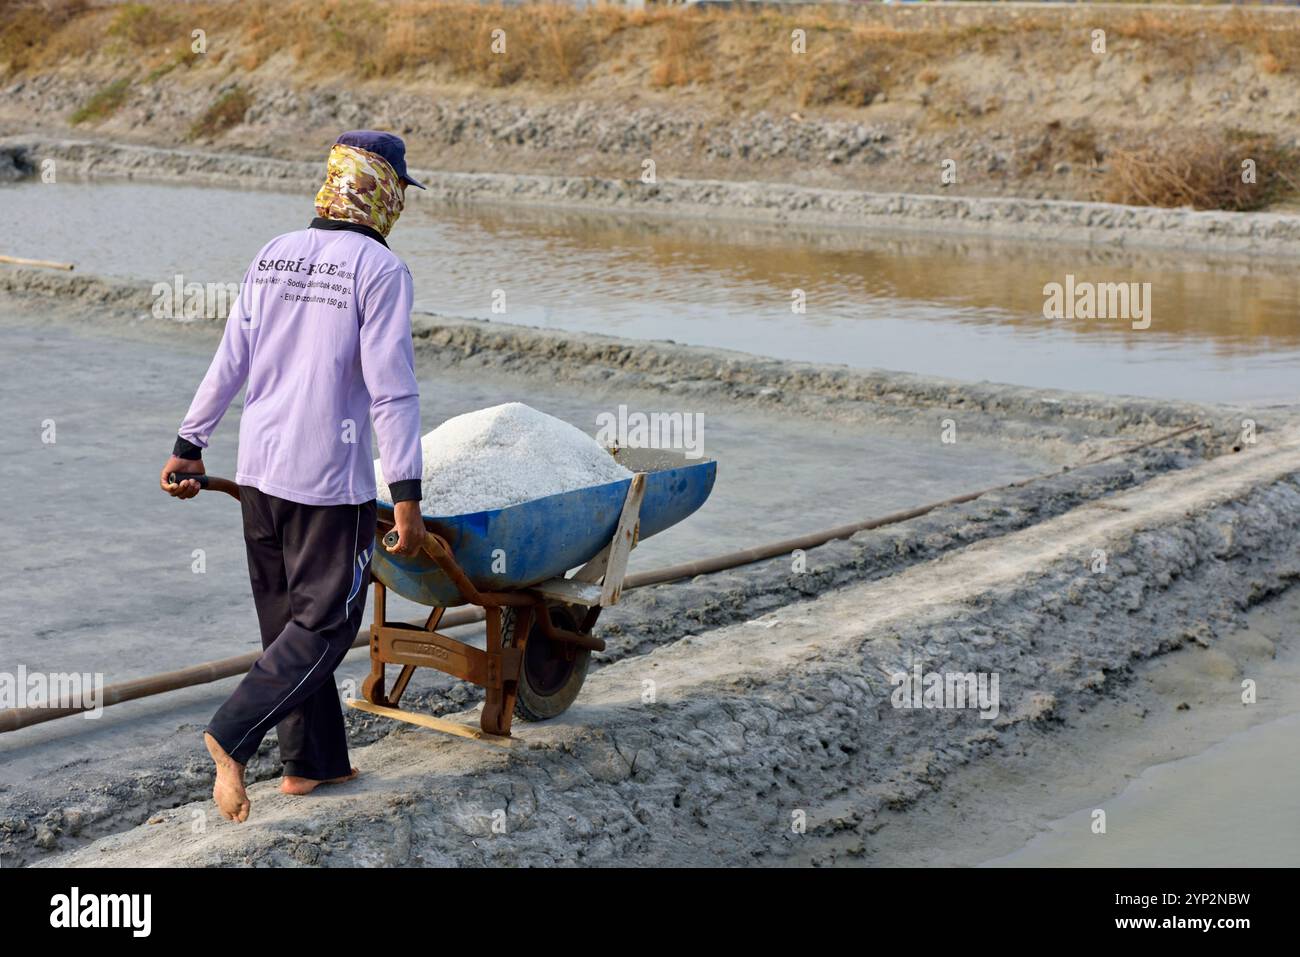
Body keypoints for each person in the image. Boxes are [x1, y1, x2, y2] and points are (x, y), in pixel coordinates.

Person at [160, 131, 429, 823]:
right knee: (326, 625)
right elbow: (392, 393)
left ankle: (312, 766)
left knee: (286, 624)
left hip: (260, 473)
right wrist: (406, 496)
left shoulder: (273, 253)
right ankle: (231, 733)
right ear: (384, 192)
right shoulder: (380, 271)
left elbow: (232, 356)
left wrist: (191, 442)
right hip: (327, 483)